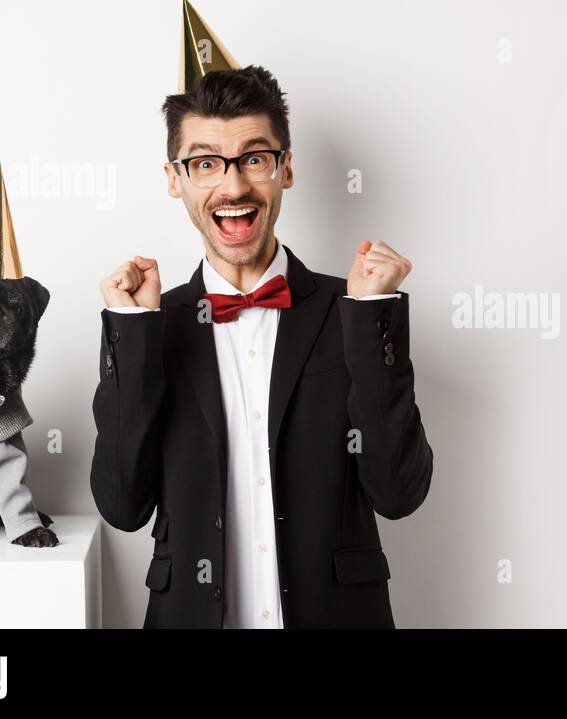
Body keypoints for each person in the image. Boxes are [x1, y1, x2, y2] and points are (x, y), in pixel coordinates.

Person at [89, 64, 433, 628]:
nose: (234, 188)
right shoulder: (154, 324)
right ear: (175, 179)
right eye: (205, 164)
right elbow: (123, 506)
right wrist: (131, 331)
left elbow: (398, 493)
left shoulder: (346, 311)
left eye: (254, 158)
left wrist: (372, 316)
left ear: (285, 168)